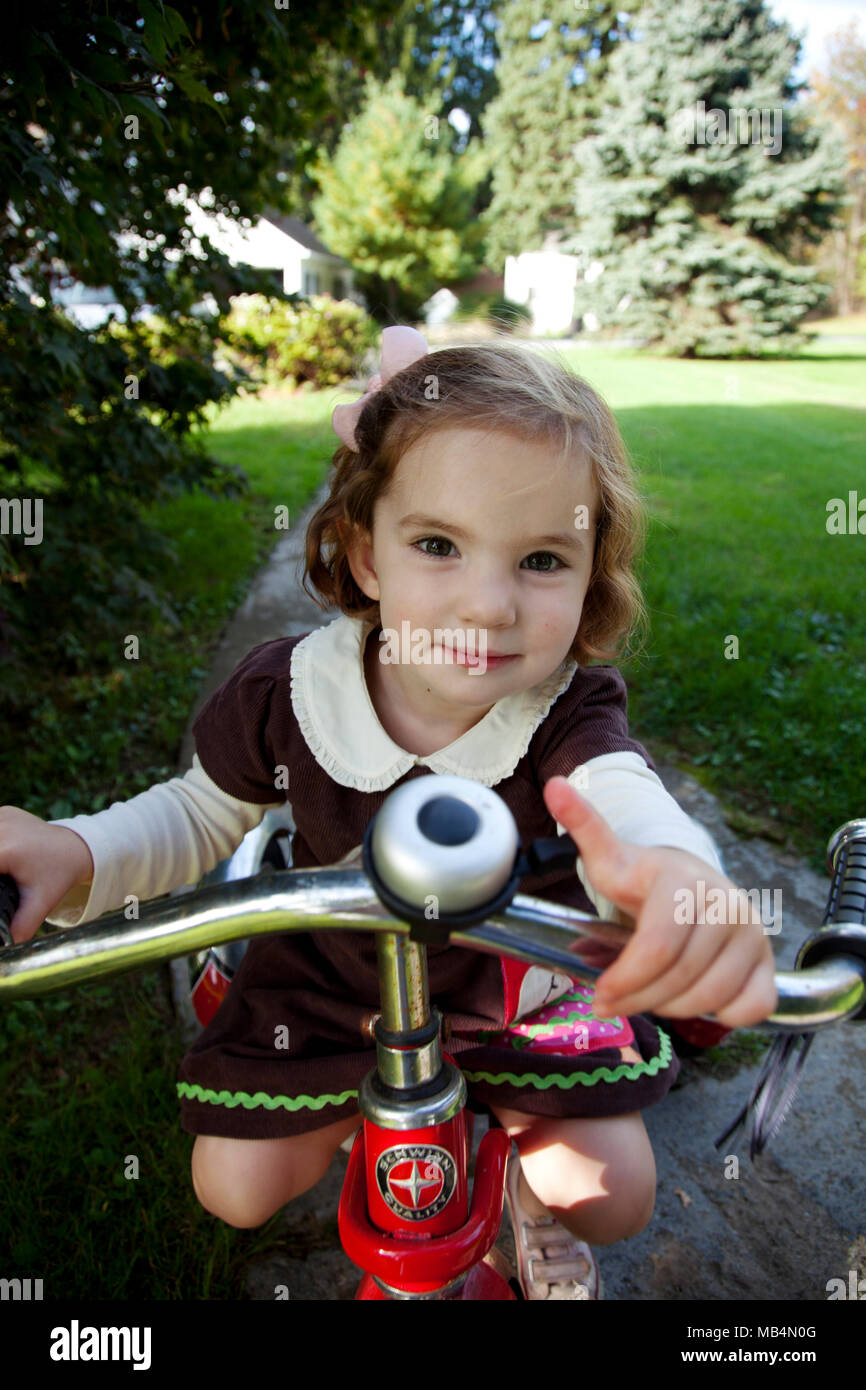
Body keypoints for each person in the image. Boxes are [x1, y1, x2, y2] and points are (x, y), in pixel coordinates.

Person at [0, 327, 777, 1300]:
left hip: (522, 979)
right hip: (333, 975)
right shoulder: (288, 693)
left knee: (609, 1195)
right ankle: (384, 1134)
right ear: (365, 555)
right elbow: (199, 814)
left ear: (591, 576)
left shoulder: (564, 712)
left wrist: (672, 870)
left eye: (540, 557)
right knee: (234, 1186)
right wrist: (71, 851)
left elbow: (623, 798)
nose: (487, 605)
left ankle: (519, 1202)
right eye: (439, 545)